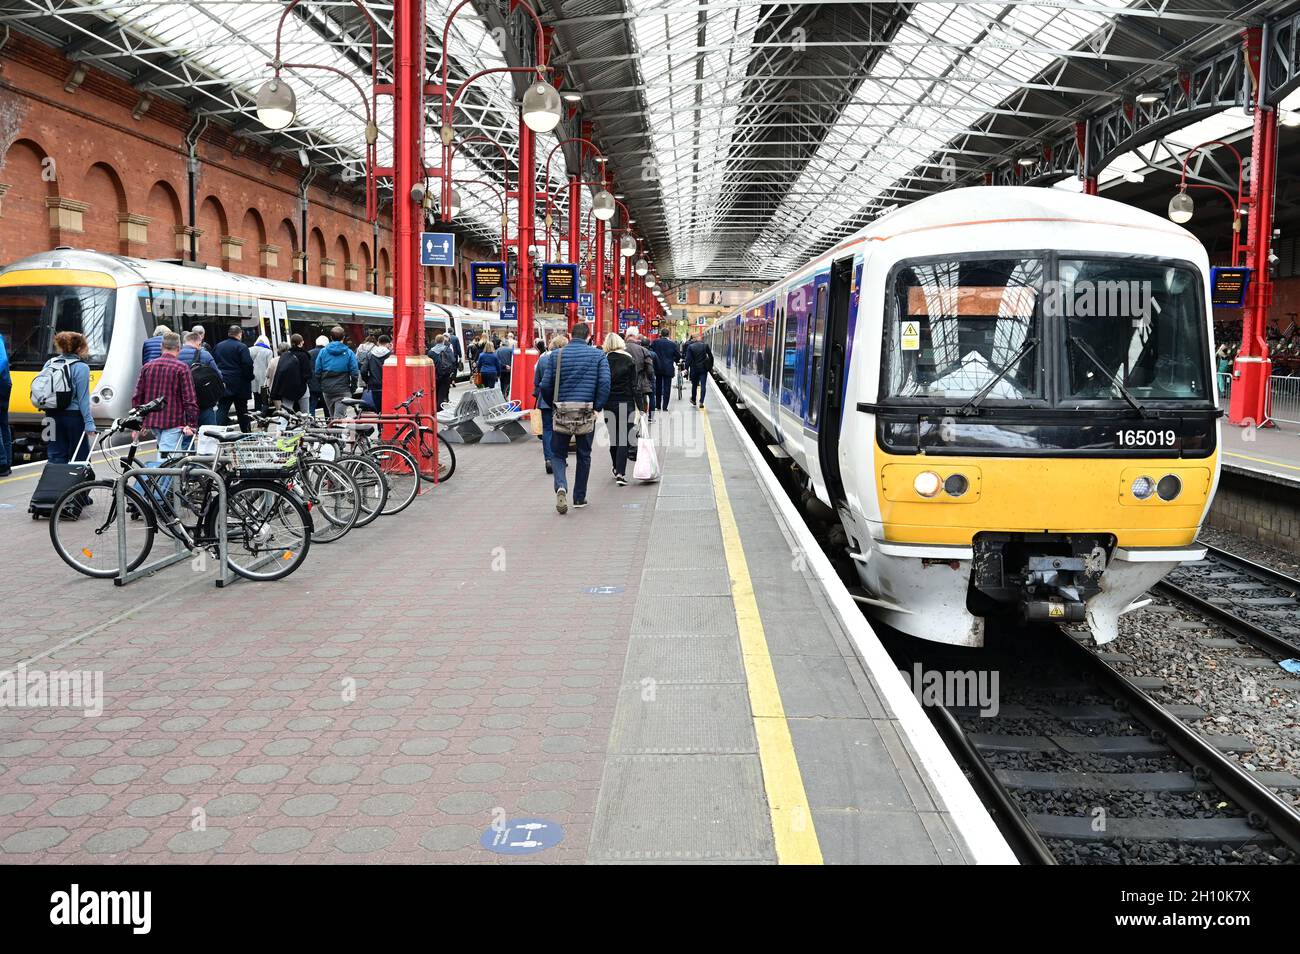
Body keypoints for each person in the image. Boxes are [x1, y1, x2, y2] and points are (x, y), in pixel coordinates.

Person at [535, 322, 609, 514]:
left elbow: (545, 385)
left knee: (558, 454)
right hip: (585, 411)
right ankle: (579, 497)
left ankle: (561, 485)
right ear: (589, 337)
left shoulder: (556, 356)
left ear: (570, 335)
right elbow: (604, 383)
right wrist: (597, 407)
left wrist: (554, 404)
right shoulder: (598, 355)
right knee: (584, 455)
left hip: (562, 411)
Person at [131, 331, 198, 492]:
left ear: (162, 347)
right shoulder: (181, 368)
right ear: (179, 348)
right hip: (173, 422)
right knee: (166, 464)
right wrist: (192, 424)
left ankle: (163, 496)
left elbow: (138, 396)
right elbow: (189, 399)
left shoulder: (148, 367)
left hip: (154, 422)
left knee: (165, 458)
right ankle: (150, 497)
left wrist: (138, 422)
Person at [42, 331, 95, 464]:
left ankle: (56, 483)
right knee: (80, 457)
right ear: (79, 348)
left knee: (55, 455)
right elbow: (83, 399)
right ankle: (80, 485)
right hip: (73, 417)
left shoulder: (50, 363)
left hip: (51, 416)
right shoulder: (81, 367)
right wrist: (89, 423)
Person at [602, 332, 639, 486]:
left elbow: (601, 384)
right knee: (623, 438)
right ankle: (621, 473)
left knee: (614, 438)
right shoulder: (628, 359)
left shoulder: (603, 360)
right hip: (626, 403)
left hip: (609, 404)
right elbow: (634, 385)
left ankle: (615, 466)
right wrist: (641, 407)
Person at [533, 334, 568, 476]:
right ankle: (560, 458)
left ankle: (548, 459)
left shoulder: (542, 360)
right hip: (562, 401)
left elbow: (537, 382)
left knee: (547, 430)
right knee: (561, 430)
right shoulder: (567, 360)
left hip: (545, 401)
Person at [214, 324, 255, 432]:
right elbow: (247, 364)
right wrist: (249, 377)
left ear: (229, 334)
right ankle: (246, 434)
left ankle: (216, 432)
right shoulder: (242, 347)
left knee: (222, 409)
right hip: (240, 384)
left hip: (224, 383)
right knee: (242, 411)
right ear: (240, 334)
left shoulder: (219, 346)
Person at [179, 330, 224, 427]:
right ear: (199, 342)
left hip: (183, 403)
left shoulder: (176, 356)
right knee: (209, 434)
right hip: (204, 401)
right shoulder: (205, 355)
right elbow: (218, 375)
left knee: (187, 437)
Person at [315, 325, 359, 419]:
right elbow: (354, 372)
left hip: (327, 390)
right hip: (343, 389)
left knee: (333, 417)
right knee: (339, 418)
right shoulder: (349, 352)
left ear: (331, 337)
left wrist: (322, 385)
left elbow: (317, 371)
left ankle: (334, 433)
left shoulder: (323, 352)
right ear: (343, 338)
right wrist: (353, 387)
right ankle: (337, 433)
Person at [271, 334, 312, 413]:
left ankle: (281, 425)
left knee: (285, 412)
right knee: (305, 413)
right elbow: (307, 374)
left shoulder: (285, 355)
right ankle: (305, 425)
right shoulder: (304, 355)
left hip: (287, 389)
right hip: (302, 388)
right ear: (301, 342)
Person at [624, 330, 656, 421]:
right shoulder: (643, 350)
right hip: (639, 382)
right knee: (640, 403)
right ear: (636, 341)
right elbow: (650, 370)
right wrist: (650, 380)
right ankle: (639, 420)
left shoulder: (620, 350)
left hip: (624, 384)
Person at [650, 332, 681, 413]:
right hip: (668, 368)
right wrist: (673, 359)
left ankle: (658, 406)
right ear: (668, 335)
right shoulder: (672, 344)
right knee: (667, 388)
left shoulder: (655, 342)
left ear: (661, 334)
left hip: (657, 367)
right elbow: (678, 356)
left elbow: (651, 352)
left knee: (658, 386)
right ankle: (665, 407)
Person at [683, 331, 714, 408]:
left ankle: (693, 399)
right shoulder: (705, 346)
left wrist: (686, 368)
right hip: (703, 369)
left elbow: (688, 359)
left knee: (694, 385)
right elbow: (711, 357)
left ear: (694, 338)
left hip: (694, 369)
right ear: (698, 338)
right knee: (703, 385)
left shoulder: (691, 347)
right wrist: (710, 367)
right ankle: (701, 402)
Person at [362, 334, 392, 412]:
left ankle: (380, 424)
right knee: (388, 410)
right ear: (388, 344)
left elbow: (363, 370)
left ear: (378, 343)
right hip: (389, 386)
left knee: (378, 410)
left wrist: (368, 381)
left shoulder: (370, 355)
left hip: (375, 386)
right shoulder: (391, 356)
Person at [430, 334, 456, 411]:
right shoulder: (448, 350)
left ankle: (435, 408)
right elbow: (453, 361)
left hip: (435, 375)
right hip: (445, 375)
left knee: (436, 392)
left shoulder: (431, 352)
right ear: (443, 341)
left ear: (435, 341)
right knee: (442, 393)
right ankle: (439, 409)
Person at [250, 333, 273, 412]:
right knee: (265, 400)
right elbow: (269, 366)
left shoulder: (249, 350)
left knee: (256, 398)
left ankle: (257, 413)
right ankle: (263, 415)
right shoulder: (268, 352)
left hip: (253, 378)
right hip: (264, 379)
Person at [0, 328, 11, 476]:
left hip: (1, 384)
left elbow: (2, 361)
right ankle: (7, 462)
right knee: (3, 424)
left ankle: (2, 463)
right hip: (4, 383)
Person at [308, 334, 328, 417]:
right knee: (326, 406)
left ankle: (311, 423)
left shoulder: (309, 353)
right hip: (324, 384)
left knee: (312, 406)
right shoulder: (326, 353)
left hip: (312, 384)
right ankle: (329, 423)